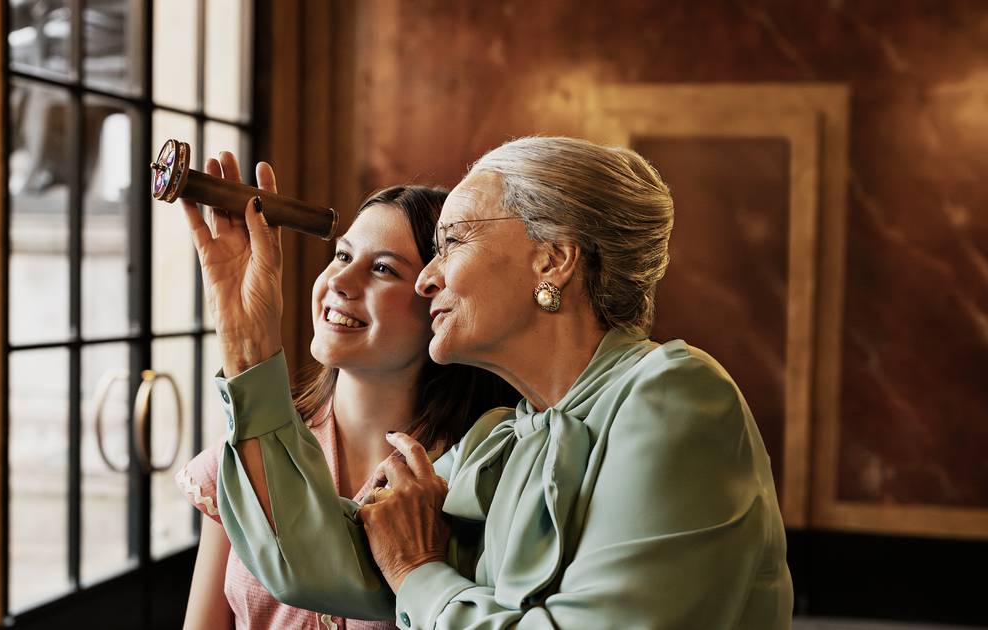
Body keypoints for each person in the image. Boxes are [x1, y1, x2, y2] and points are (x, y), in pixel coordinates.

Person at [189, 137, 794, 629]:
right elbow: (314, 563)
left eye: (452, 241)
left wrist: (420, 573)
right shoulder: (505, 438)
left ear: (553, 260)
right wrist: (248, 342)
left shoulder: (677, 394)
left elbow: (407, 571)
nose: (428, 279)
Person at [176, 151, 516, 630]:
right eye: (341, 255)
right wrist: (241, 335)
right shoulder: (242, 458)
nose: (340, 280)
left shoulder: (477, 478)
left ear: (439, 302)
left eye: (383, 269)